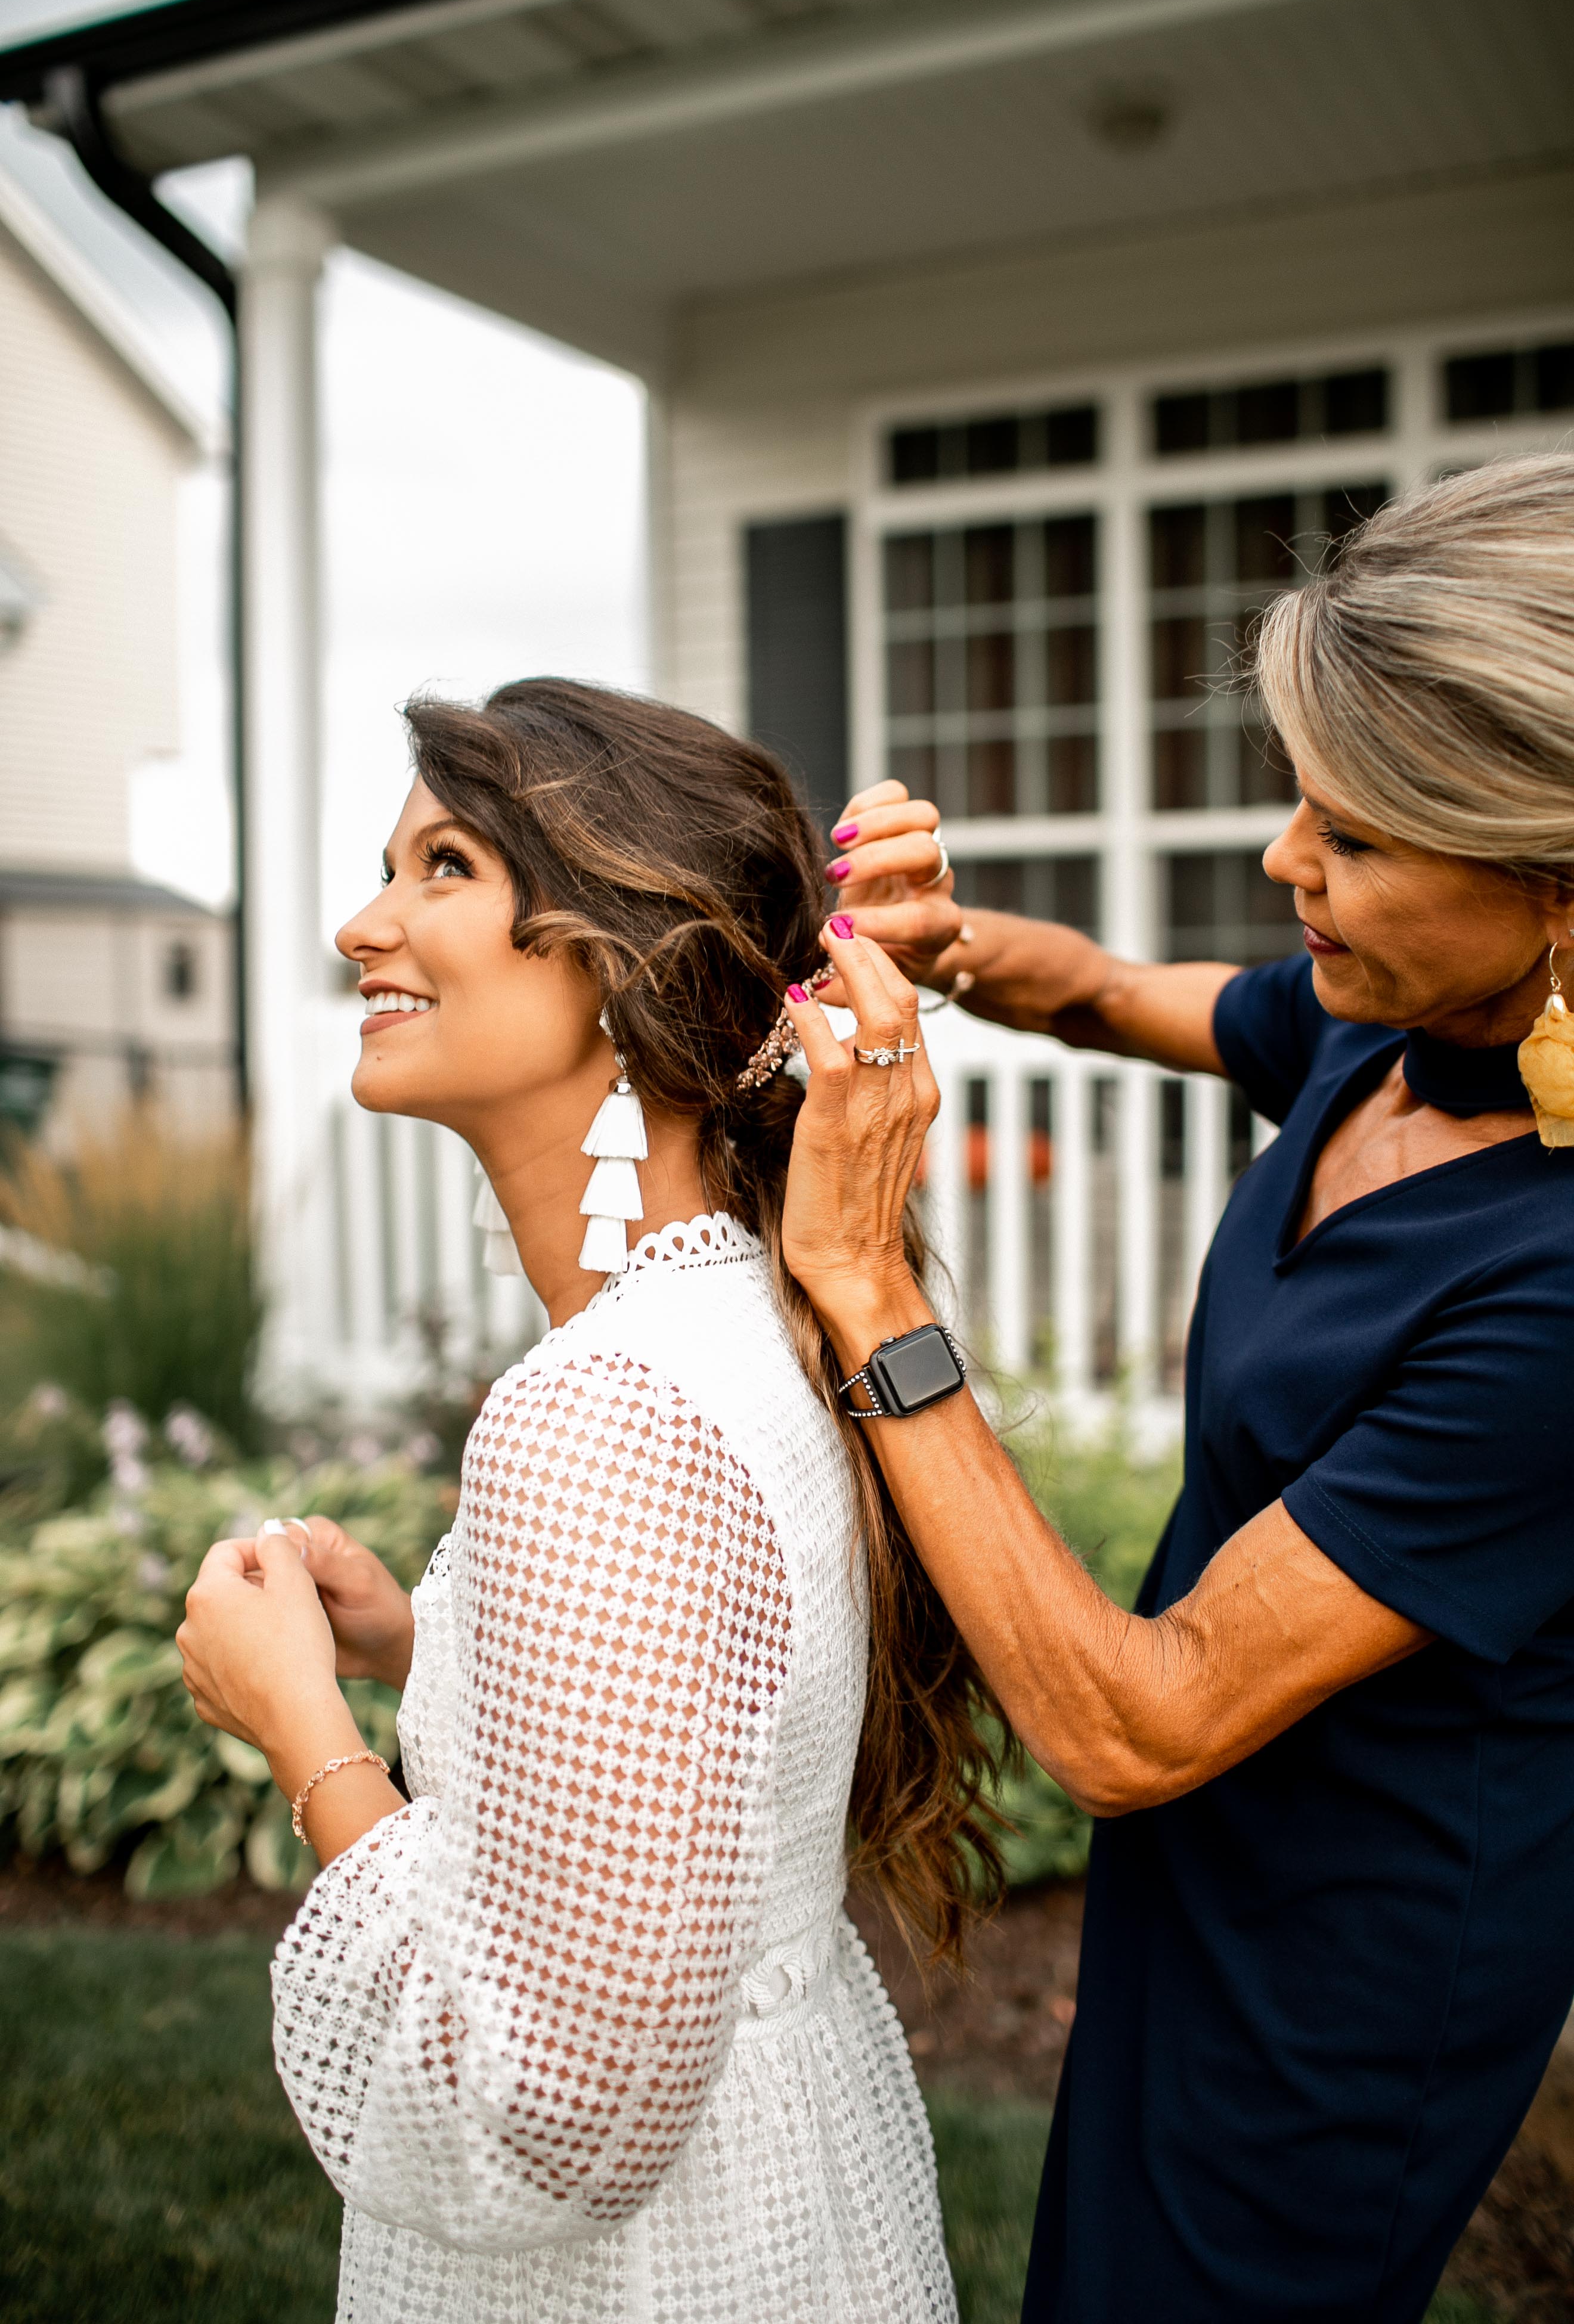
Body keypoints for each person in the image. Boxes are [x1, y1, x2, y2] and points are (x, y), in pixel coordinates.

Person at [777, 454, 1574, 2324]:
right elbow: (1098, 992)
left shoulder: (1551, 1289)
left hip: (1353, 1980)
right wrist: (935, 939)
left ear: (1553, 891)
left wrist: (869, 1281)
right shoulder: (1384, 1038)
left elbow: (1136, 1726)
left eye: (1355, 839)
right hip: (1205, 1886)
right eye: (1301, 804)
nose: (1285, 864)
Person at [175, 680, 1006, 2324]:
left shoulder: (604, 1406)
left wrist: (302, 1738)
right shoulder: (757, 1315)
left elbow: (557, 2116)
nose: (362, 926)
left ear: (611, 953)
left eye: (442, 870)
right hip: (779, 2196)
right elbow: (703, 1756)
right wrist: (446, 1647)